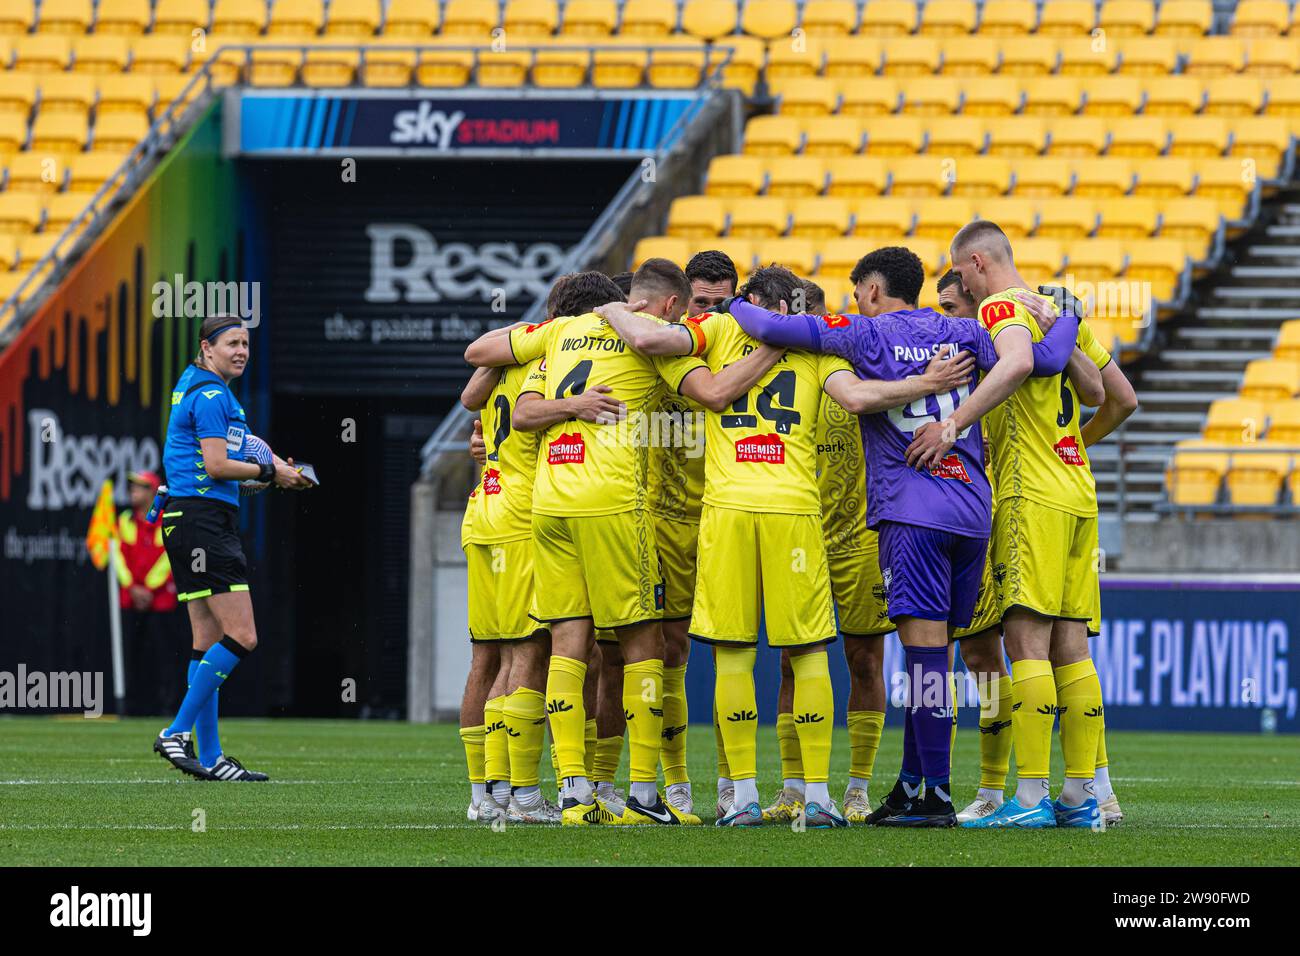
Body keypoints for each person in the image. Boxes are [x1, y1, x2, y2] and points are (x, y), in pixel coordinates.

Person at [596, 263, 979, 827]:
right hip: (797, 510)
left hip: (725, 511)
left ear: (749, 299)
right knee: (808, 652)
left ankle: (744, 797)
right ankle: (820, 797)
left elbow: (663, 345)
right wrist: (926, 385)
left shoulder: (713, 331)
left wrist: (612, 310)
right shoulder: (816, 349)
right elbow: (858, 398)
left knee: (732, 653)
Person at [727, 248, 1083, 826]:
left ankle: (936, 796)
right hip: (971, 513)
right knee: (940, 657)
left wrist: (732, 305)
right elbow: (1046, 360)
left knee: (924, 663)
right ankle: (913, 782)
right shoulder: (967, 331)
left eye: (857, 287)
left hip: (911, 513)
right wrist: (1067, 307)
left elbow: (768, 324)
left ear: (871, 289)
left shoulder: (864, 333)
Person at [940, 220, 1111, 828]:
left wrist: (954, 422)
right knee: (1074, 646)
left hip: (1029, 491)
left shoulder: (1002, 307)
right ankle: (1079, 796)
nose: (957, 281)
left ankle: (1032, 799)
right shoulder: (1053, 305)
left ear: (979, 263)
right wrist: (1076, 445)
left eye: (959, 271)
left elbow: (1016, 367)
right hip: (1077, 488)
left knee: (1025, 641)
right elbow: (1105, 390)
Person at [153, 314, 310, 781]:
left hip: (184, 519)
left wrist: (269, 465)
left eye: (245, 344)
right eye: (231, 344)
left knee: (205, 643)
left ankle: (212, 757)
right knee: (243, 636)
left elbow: (219, 458)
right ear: (207, 348)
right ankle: (177, 732)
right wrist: (270, 473)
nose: (241, 351)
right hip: (204, 523)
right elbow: (219, 465)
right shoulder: (213, 394)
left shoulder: (194, 383)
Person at [117, 470, 184, 716]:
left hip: (161, 600)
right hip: (130, 599)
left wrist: (149, 587)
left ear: (153, 492)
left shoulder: (167, 519)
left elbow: (168, 557)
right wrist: (132, 587)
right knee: (131, 656)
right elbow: (117, 555)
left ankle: (169, 708)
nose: (134, 490)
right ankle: (131, 707)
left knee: (166, 656)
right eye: (132, 486)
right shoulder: (124, 520)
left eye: (141, 487)